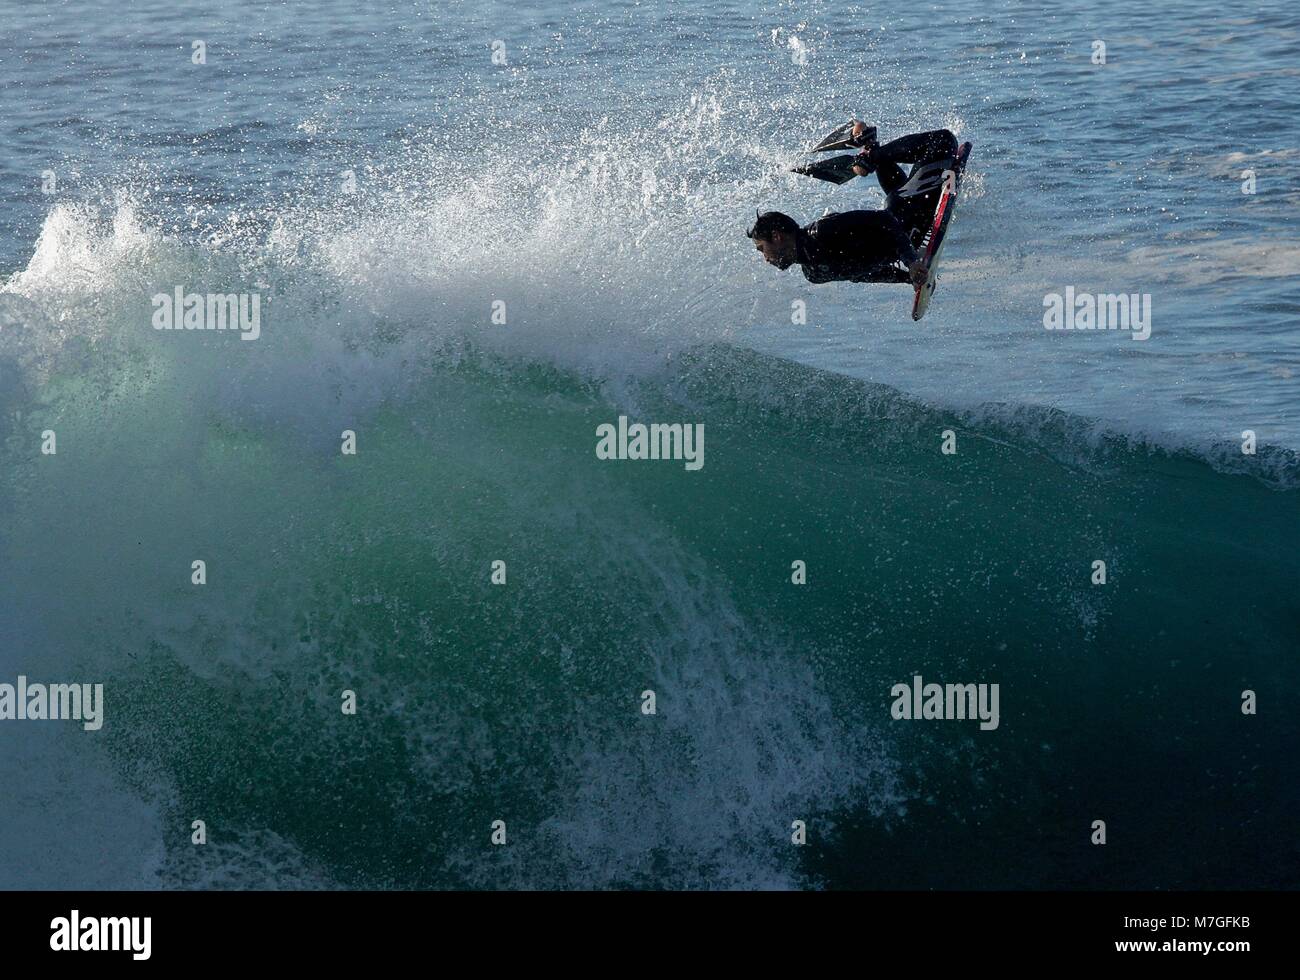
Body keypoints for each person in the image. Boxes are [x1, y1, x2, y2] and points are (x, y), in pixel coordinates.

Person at [748, 124, 960, 287]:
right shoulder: (814, 274)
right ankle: (869, 147)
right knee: (901, 191)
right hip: (904, 205)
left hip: (910, 210)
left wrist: (912, 261)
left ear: (777, 237)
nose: (766, 259)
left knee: (943, 141)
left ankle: (869, 156)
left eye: (762, 249)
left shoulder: (823, 231)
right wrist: (908, 279)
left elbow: (885, 221)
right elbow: (862, 274)